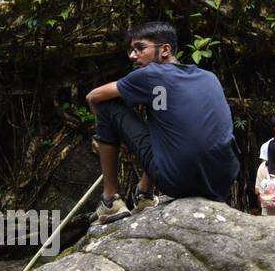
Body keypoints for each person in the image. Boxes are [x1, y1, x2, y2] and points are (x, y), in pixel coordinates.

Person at [85, 21, 240, 224]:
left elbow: (93, 97)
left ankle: (110, 201)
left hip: (178, 180)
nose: (133, 56)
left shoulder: (151, 75)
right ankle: (144, 194)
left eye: (140, 48)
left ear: (165, 49)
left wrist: (113, 133)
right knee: (164, 119)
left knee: (107, 105)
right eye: (131, 50)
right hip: (222, 181)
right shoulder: (209, 77)